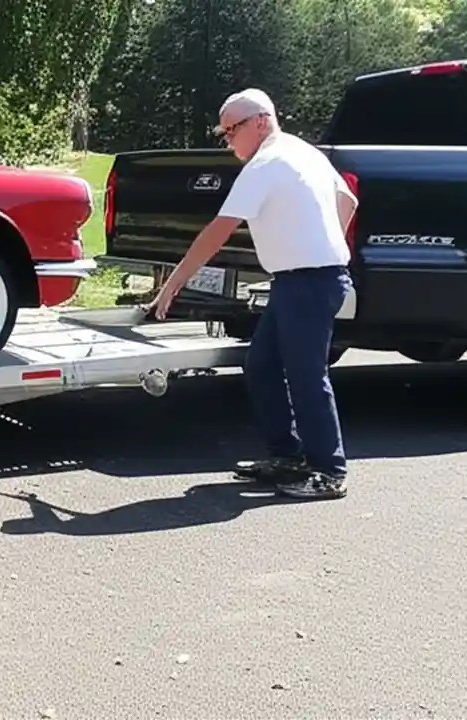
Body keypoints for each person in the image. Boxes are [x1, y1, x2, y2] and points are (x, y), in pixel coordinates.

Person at [149, 88, 357, 500]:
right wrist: (323, 240)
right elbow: (347, 201)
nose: (227, 140)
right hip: (301, 279)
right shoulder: (305, 152)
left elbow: (218, 232)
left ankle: (329, 472)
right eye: (223, 132)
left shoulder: (267, 163)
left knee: (306, 375)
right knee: (261, 365)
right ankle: (288, 457)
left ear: (261, 121)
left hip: (310, 281)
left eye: (232, 130)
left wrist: (173, 283)